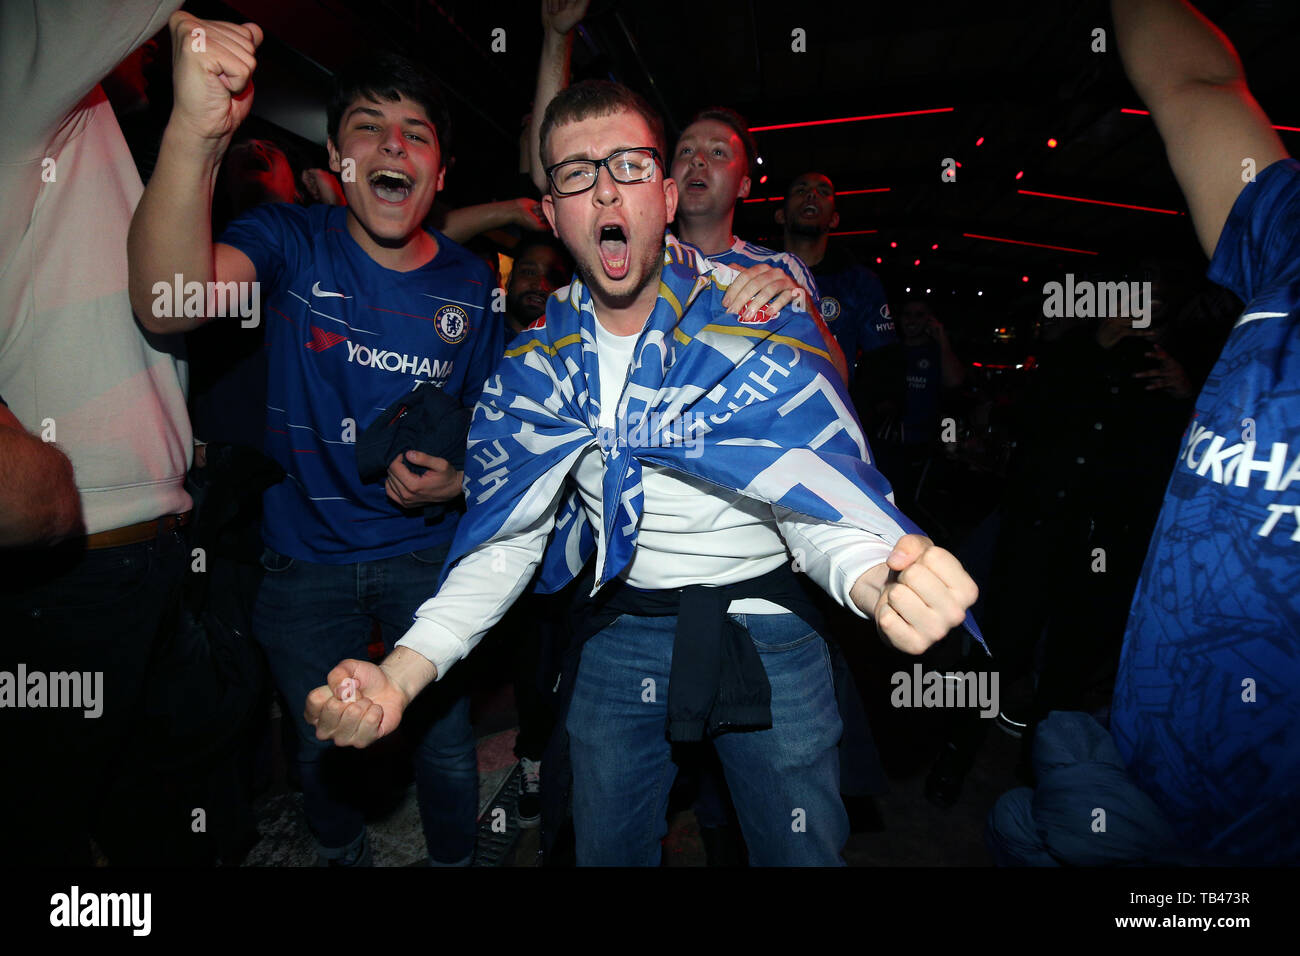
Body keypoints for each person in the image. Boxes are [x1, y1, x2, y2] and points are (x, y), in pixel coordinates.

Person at [307, 79, 981, 867]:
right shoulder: (534, 368)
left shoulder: (756, 319)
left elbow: (808, 499)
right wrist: (401, 673)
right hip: (622, 628)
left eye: (628, 167)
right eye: (575, 174)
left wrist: (874, 578)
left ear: (663, 195)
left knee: (801, 853)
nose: (603, 190)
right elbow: (506, 544)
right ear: (554, 215)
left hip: (770, 626)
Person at [129, 13, 504, 867]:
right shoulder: (291, 241)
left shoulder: (470, 279)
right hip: (302, 564)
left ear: (438, 170)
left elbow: (496, 422)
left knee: (444, 748)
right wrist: (196, 133)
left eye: (415, 133)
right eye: (367, 128)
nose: (392, 145)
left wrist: (458, 482)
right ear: (339, 160)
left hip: (428, 558)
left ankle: (452, 861)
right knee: (319, 749)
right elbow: (170, 304)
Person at [988, 0, 1299, 865]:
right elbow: (1194, 82)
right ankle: (965, 749)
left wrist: (1181, 385)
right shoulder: (1284, 248)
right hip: (1137, 754)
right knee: (1011, 659)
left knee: (1058, 679)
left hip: (1108, 550)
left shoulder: (1178, 357)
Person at [0, 0, 194, 865]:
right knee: (50, 819)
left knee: (133, 808)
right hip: (70, 560)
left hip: (140, 543)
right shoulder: (21, 59)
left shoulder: (97, 123)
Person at [777, 171, 898, 382]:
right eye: (801, 190)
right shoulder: (755, 270)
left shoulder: (860, 283)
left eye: (823, 192)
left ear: (834, 219)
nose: (811, 195)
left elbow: (883, 363)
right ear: (781, 215)